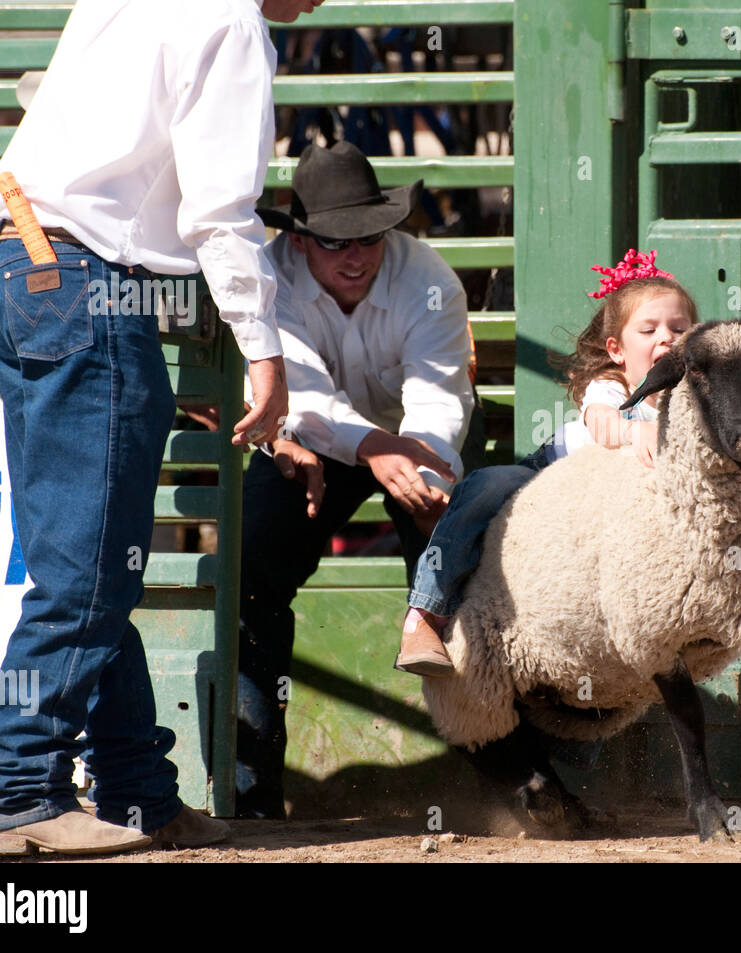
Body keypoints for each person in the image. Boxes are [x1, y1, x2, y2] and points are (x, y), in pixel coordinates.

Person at [0, 0, 325, 857]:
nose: (320, 4)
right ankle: (20, 786)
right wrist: (263, 349)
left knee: (93, 559)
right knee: (89, 569)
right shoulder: (233, 23)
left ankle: (136, 792)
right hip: (84, 280)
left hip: (20, 264)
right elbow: (218, 212)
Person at [234, 140, 474, 819]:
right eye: (336, 239)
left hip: (420, 439)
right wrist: (368, 445)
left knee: (463, 579)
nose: (356, 253)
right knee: (253, 567)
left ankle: (507, 777)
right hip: (318, 442)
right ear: (302, 239)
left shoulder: (430, 281)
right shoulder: (271, 284)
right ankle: (252, 788)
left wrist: (418, 468)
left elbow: (438, 400)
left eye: (369, 235)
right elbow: (299, 394)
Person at [400, 250, 698, 673]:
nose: (666, 338)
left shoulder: (693, 403)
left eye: (679, 329)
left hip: (614, 513)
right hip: (550, 478)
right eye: (648, 329)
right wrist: (636, 429)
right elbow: (603, 425)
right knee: (486, 485)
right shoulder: (612, 388)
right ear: (616, 349)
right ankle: (427, 614)